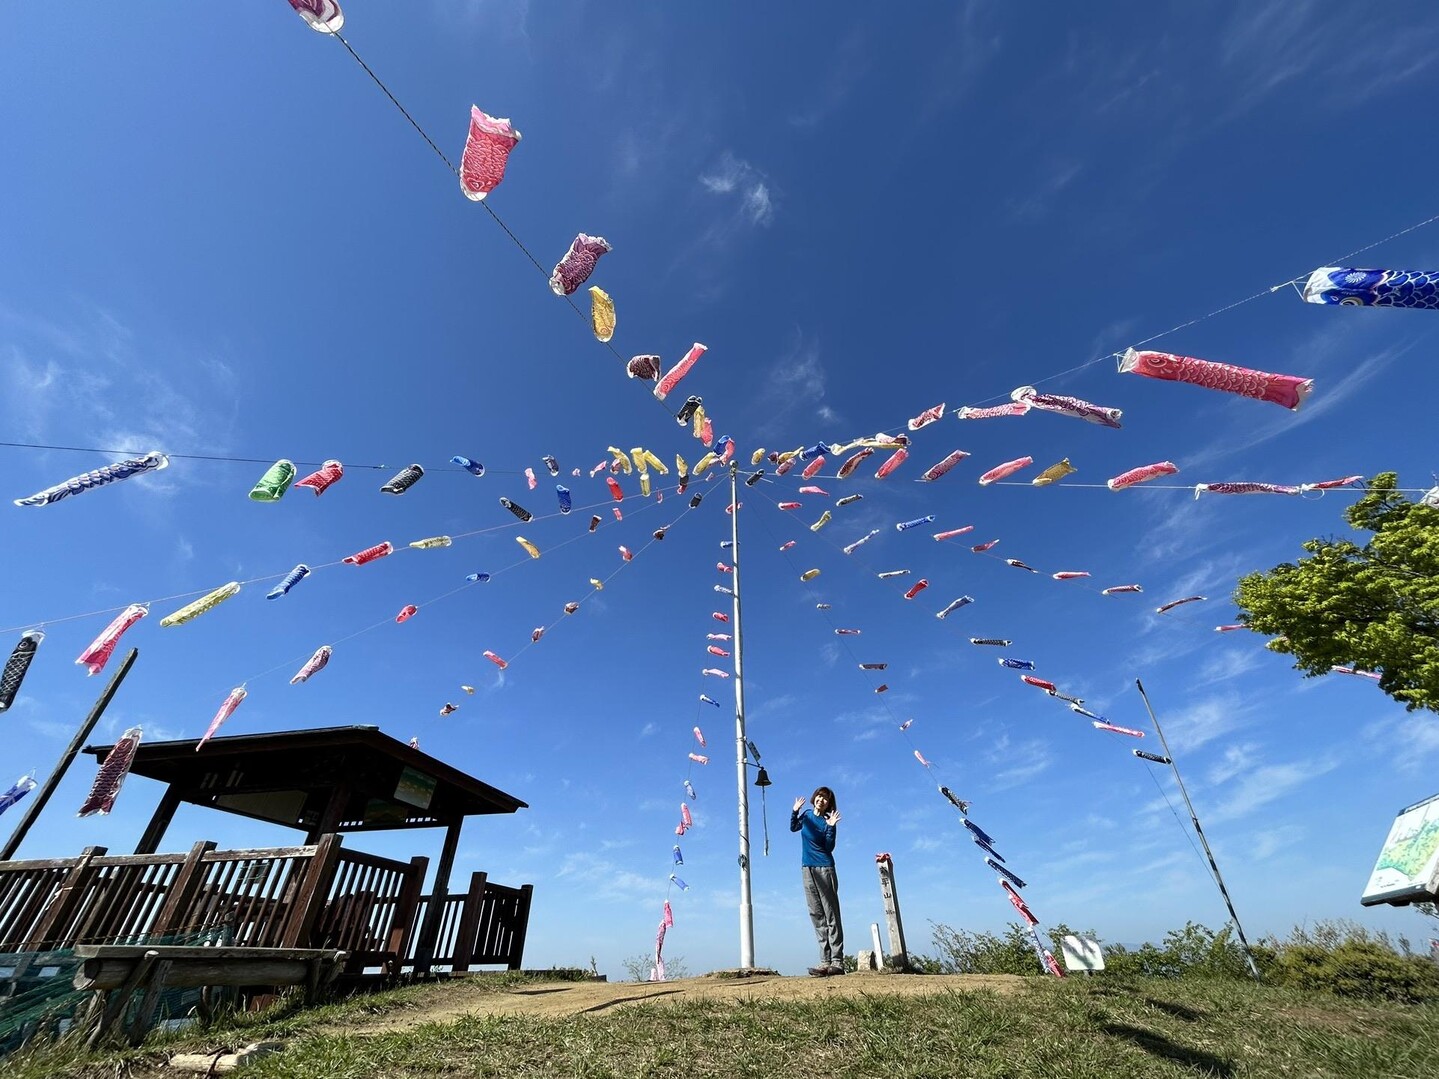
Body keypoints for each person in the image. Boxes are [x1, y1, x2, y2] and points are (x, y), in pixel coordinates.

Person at [791, 785, 844, 976]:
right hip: (807, 869)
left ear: (829, 804)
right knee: (816, 914)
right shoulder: (806, 816)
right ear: (815, 798)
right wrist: (794, 811)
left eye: (826, 799)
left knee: (831, 915)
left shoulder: (827, 821)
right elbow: (793, 827)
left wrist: (830, 827)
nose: (822, 800)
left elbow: (829, 847)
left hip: (825, 868)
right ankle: (825, 962)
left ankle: (837, 962)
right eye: (820, 796)